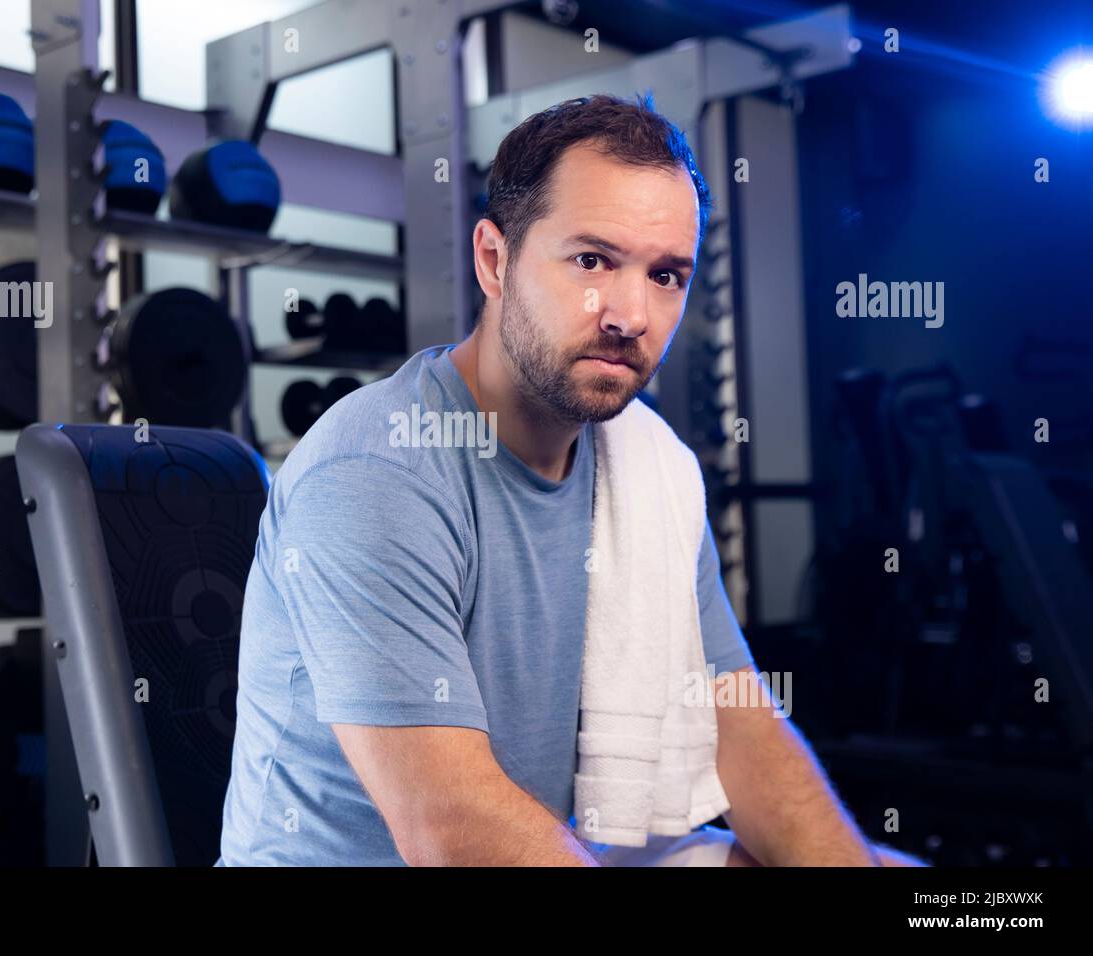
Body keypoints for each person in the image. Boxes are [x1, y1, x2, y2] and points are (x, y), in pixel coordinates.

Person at [217, 93, 925, 867]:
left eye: (666, 274)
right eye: (592, 260)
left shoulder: (647, 469)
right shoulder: (378, 470)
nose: (631, 313)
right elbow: (453, 830)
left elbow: (738, 724)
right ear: (494, 260)